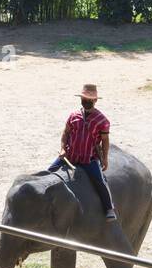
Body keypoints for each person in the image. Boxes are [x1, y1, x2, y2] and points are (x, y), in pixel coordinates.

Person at [47, 84, 116, 222]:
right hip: (70, 155)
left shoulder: (102, 120)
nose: (86, 102)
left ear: (95, 101)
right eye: (84, 99)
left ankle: (109, 208)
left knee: (100, 181)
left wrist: (105, 158)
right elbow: (66, 133)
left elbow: (105, 140)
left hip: (88, 158)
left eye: (89, 99)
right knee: (49, 171)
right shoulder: (73, 115)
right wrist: (62, 149)